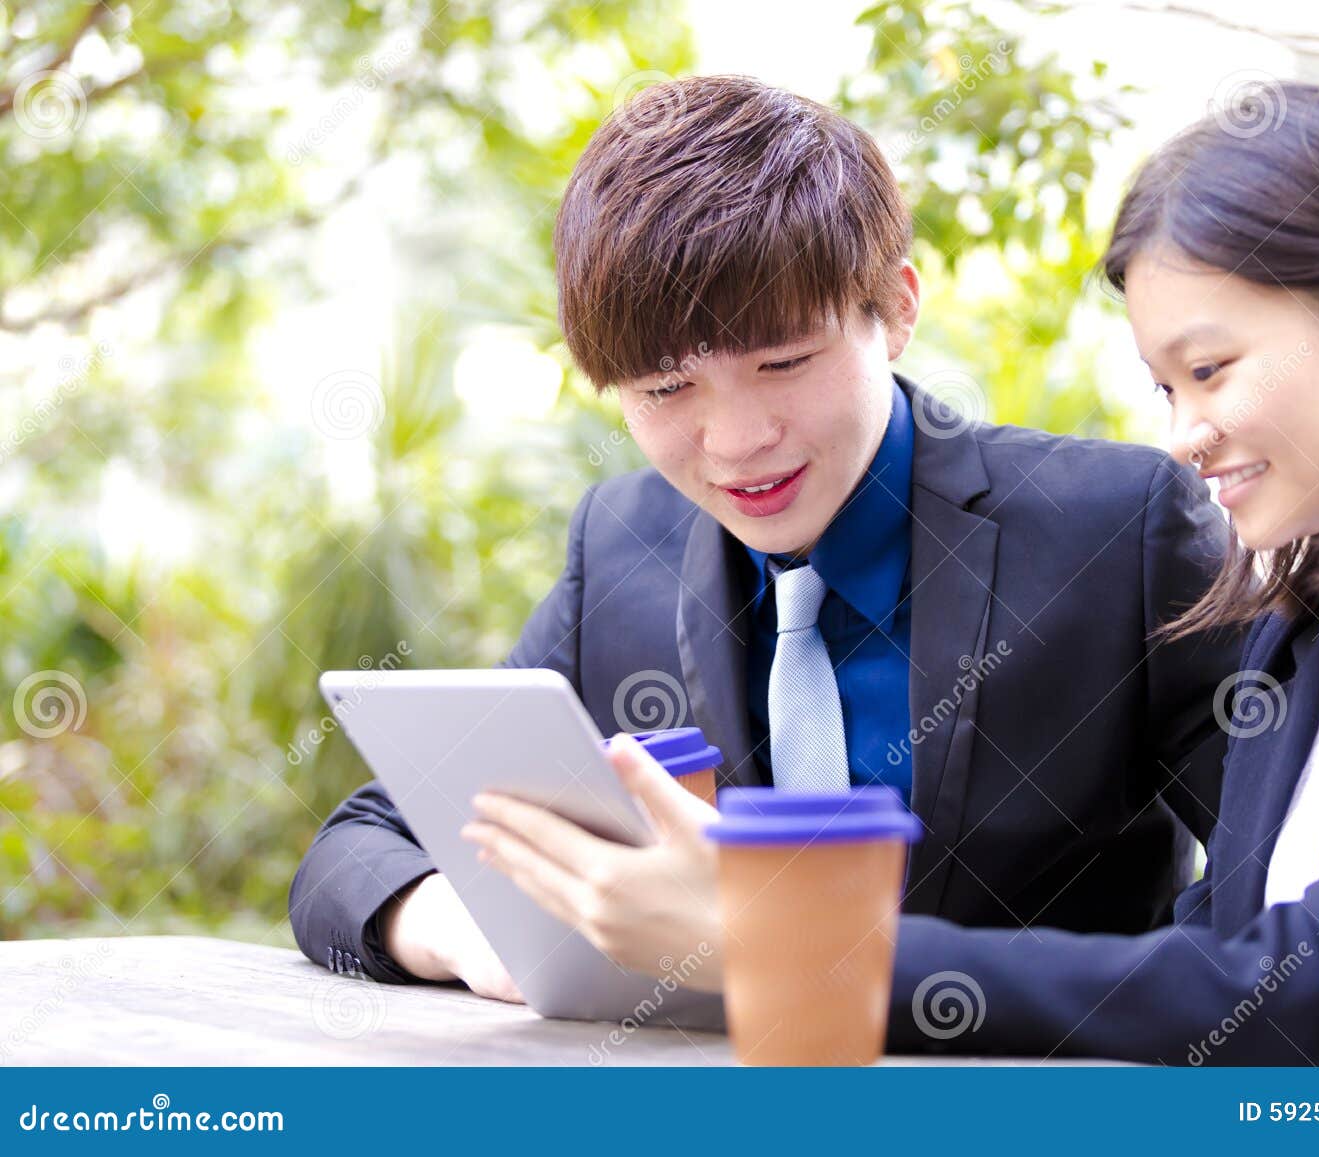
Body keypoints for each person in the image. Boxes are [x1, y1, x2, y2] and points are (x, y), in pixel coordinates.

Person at [465, 81, 1319, 1065]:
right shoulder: (1313, 621)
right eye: (1168, 389)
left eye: (1210, 368)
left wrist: (780, 939)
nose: (1186, 434)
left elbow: (1308, 985)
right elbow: (1210, 965)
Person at [289, 75, 1245, 999]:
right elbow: (362, 843)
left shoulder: (1118, 533)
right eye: (666, 389)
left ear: (897, 308)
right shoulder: (624, 552)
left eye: (783, 361)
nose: (738, 441)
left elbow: (1288, 893)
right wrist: (466, 930)